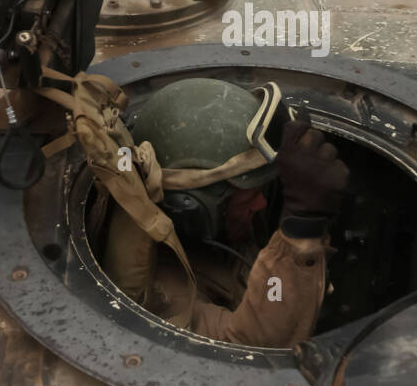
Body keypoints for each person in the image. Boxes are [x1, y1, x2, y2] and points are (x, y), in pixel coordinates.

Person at [98, 78, 349, 347]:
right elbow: (255, 346)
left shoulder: (224, 228)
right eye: (249, 198)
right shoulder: (166, 294)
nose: (261, 205)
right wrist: (300, 230)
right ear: (191, 209)